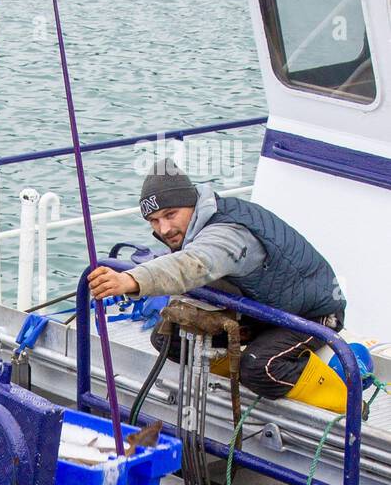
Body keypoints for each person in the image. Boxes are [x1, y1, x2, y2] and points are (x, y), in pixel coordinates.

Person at [87, 161, 349, 409]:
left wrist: (130, 279)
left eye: (170, 214)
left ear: (191, 204)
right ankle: (235, 381)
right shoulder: (200, 222)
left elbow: (194, 264)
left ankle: (346, 404)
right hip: (263, 308)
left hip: (311, 315)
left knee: (259, 367)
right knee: (168, 337)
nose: (164, 228)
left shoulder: (227, 232)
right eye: (154, 221)